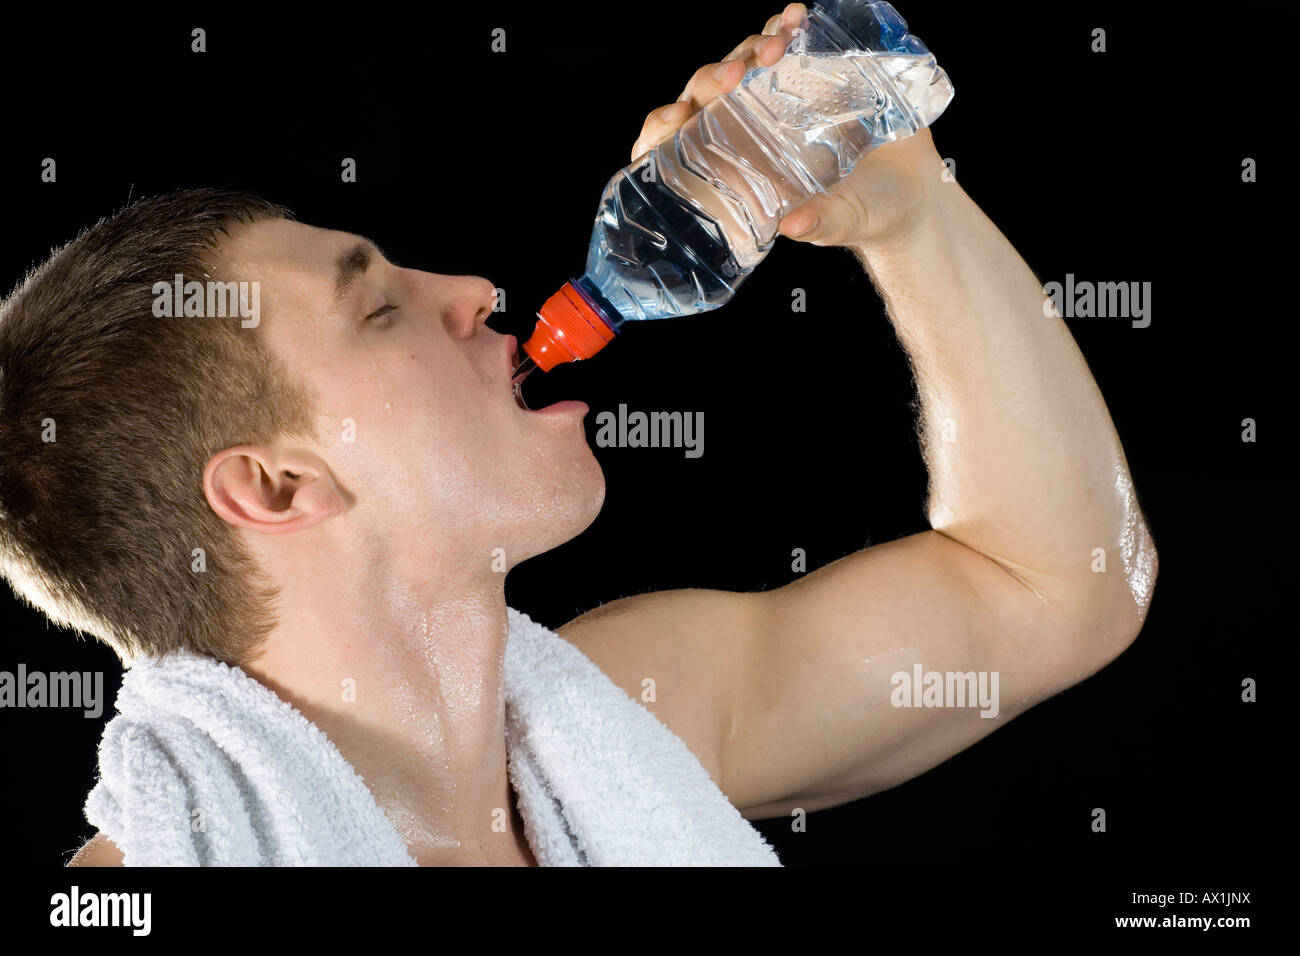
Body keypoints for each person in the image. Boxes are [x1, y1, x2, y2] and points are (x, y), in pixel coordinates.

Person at [0, 4, 1155, 867]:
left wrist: (911, 215)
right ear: (276, 482)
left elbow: (1060, 584)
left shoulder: (622, 718)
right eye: (382, 306)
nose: (471, 287)